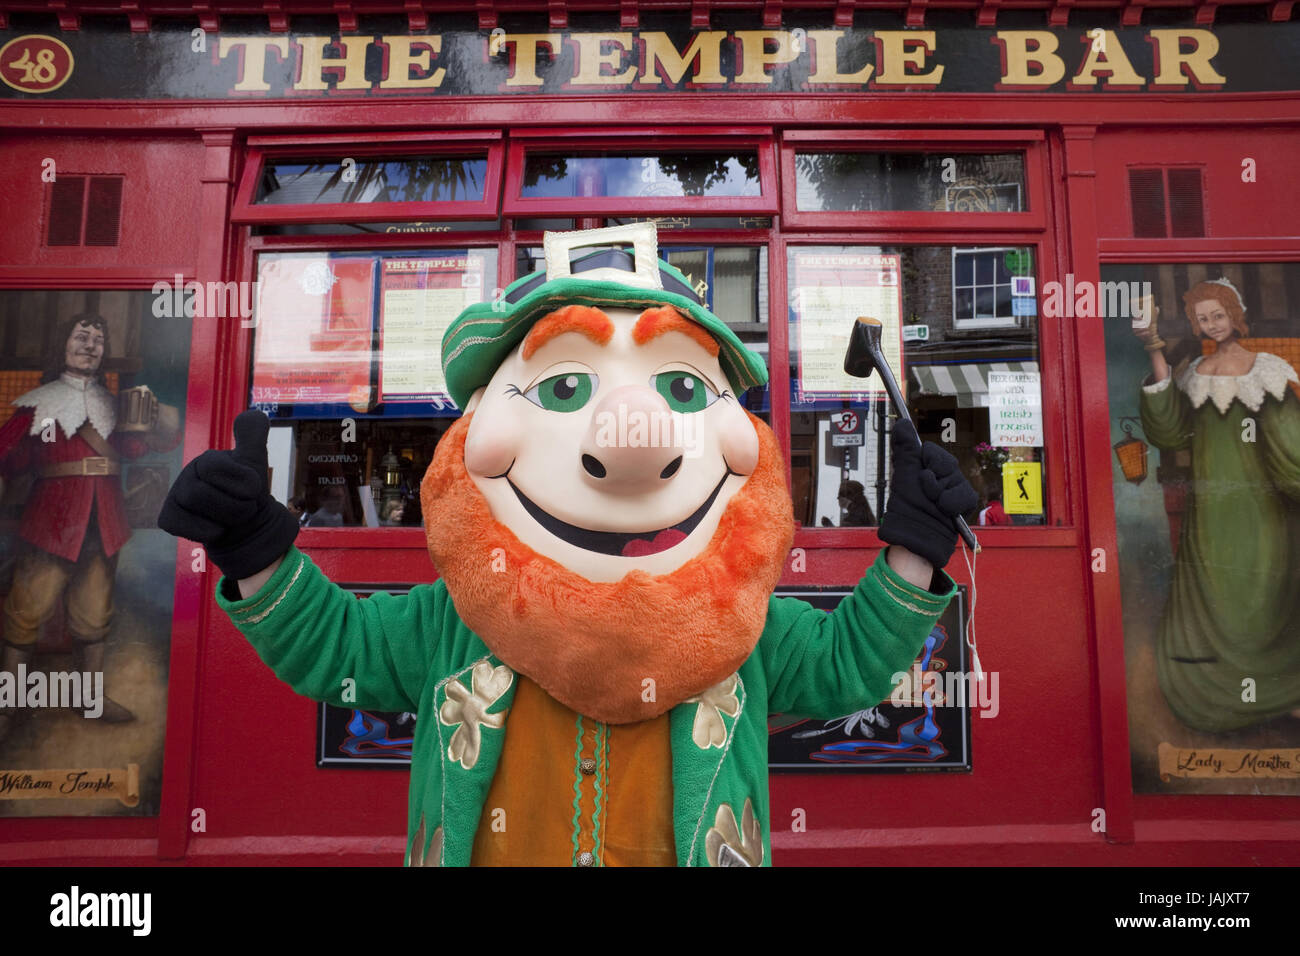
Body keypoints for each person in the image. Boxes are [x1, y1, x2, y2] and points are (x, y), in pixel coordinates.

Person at [159, 223, 977, 866]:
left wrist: (911, 550)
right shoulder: (453, 622)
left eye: (683, 386)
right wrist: (257, 549)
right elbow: (337, 649)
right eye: (561, 385)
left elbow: (844, 666)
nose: (634, 442)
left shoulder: (743, 625)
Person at [0, 312, 180, 741]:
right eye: (82, 336)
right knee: (25, 613)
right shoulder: (37, 401)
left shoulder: (113, 403)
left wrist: (153, 417)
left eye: (98, 339)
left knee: (95, 615)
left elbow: (136, 448)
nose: (90, 344)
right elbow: (9, 457)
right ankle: (6, 707)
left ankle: (90, 700)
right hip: (51, 520)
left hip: (103, 520)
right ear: (63, 345)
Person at [1134, 278, 1300, 732]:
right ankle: (1223, 697)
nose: (1211, 324)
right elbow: (1168, 432)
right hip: (1210, 512)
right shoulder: (1195, 375)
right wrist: (1153, 350)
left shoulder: (1267, 370)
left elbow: (1291, 444)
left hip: (1262, 509)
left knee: (1264, 596)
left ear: (1235, 315)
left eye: (1218, 315)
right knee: (1219, 597)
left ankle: (1280, 693)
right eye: (1202, 319)